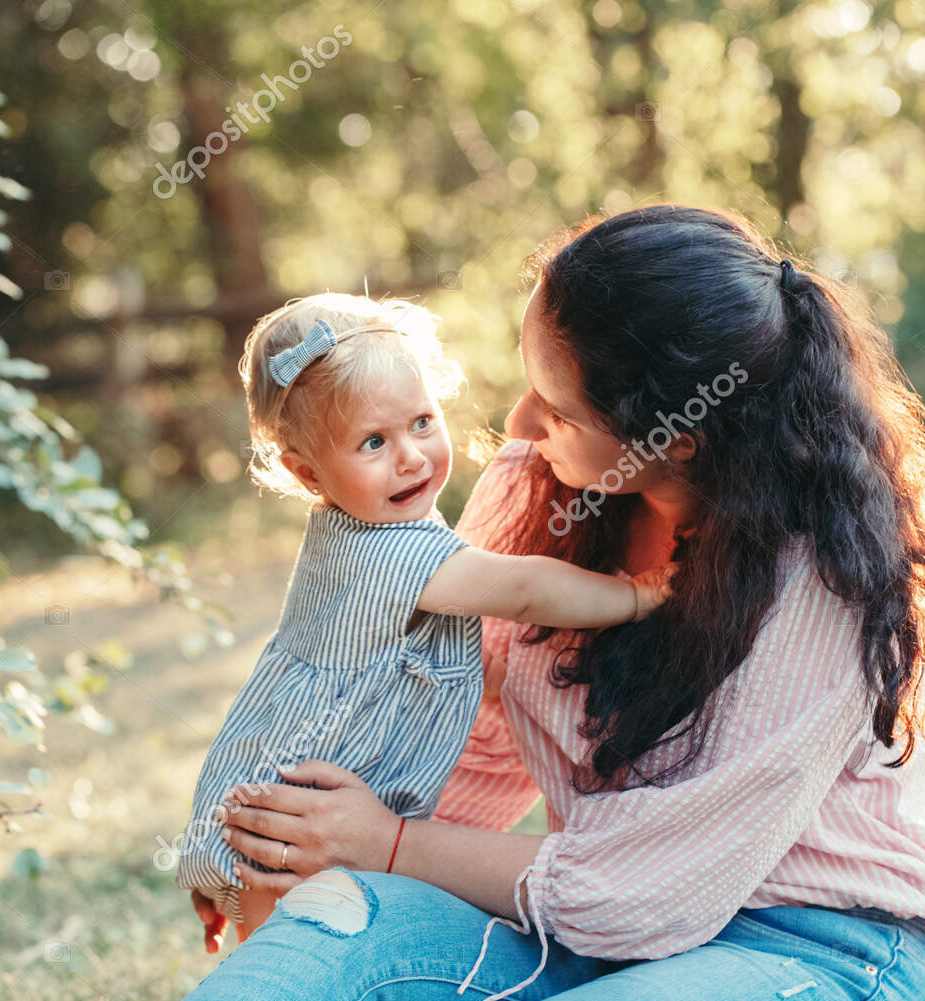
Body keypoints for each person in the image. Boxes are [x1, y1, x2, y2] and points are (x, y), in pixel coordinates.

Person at [130, 205, 925, 1001]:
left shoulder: (821, 577)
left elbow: (651, 890)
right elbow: (472, 737)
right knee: (326, 922)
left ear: (678, 438)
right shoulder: (537, 487)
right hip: (600, 944)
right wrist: (298, 860)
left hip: (822, 960)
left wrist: (389, 846)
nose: (514, 426)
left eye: (556, 408)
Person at [174, 291, 675, 939]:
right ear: (307, 473)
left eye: (421, 422)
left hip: (274, 771)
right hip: (306, 794)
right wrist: (634, 598)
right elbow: (522, 590)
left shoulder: (348, 526)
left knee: (296, 948)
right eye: (373, 442)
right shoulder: (394, 553)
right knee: (307, 953)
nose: (410, 455)